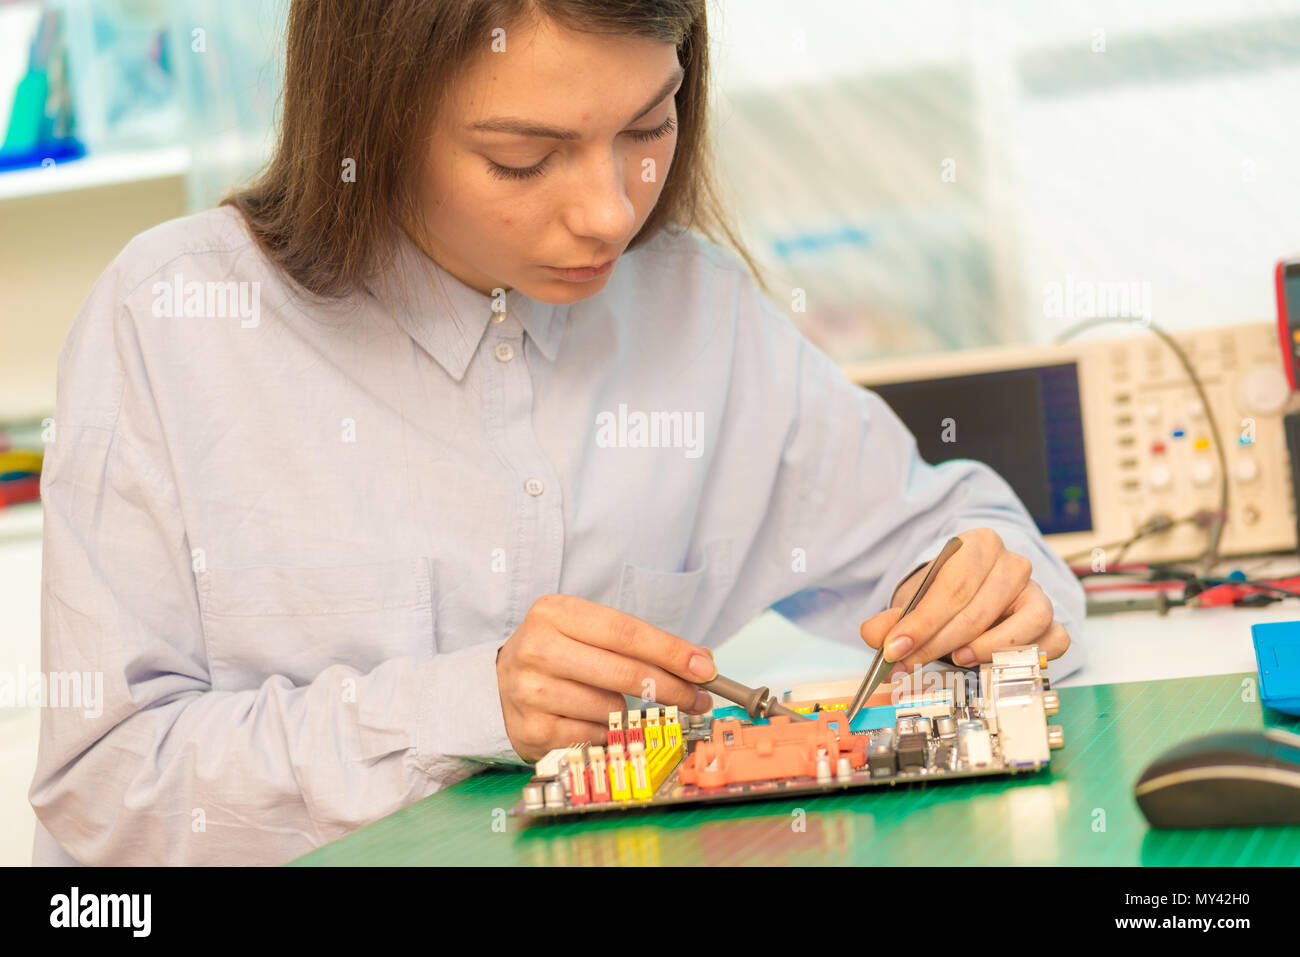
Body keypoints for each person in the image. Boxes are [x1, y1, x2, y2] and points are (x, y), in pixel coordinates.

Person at [30, 0, 1084, 866]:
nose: (610, 213)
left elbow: (954, 531)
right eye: (524, 158)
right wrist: (470, 706)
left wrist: (992, 588)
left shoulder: (694, 313)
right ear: (369, 123)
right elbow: (107, 791)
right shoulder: (172, 320)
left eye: (648, 127)